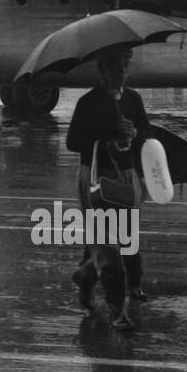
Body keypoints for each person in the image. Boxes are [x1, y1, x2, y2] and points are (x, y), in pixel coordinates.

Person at [65, 45, 150, 329]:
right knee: (108, 248)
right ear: (102, 70)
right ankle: (117, 311)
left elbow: (146, 134)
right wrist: (106, 141)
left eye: (125, 66)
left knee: (120, 241)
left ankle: (86, 275)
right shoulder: (88, 103)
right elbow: (73, 142)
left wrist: (134, 133)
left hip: (125, 177)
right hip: (96, 178)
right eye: (115, 67)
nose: (121, 73)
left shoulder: (133, 100)